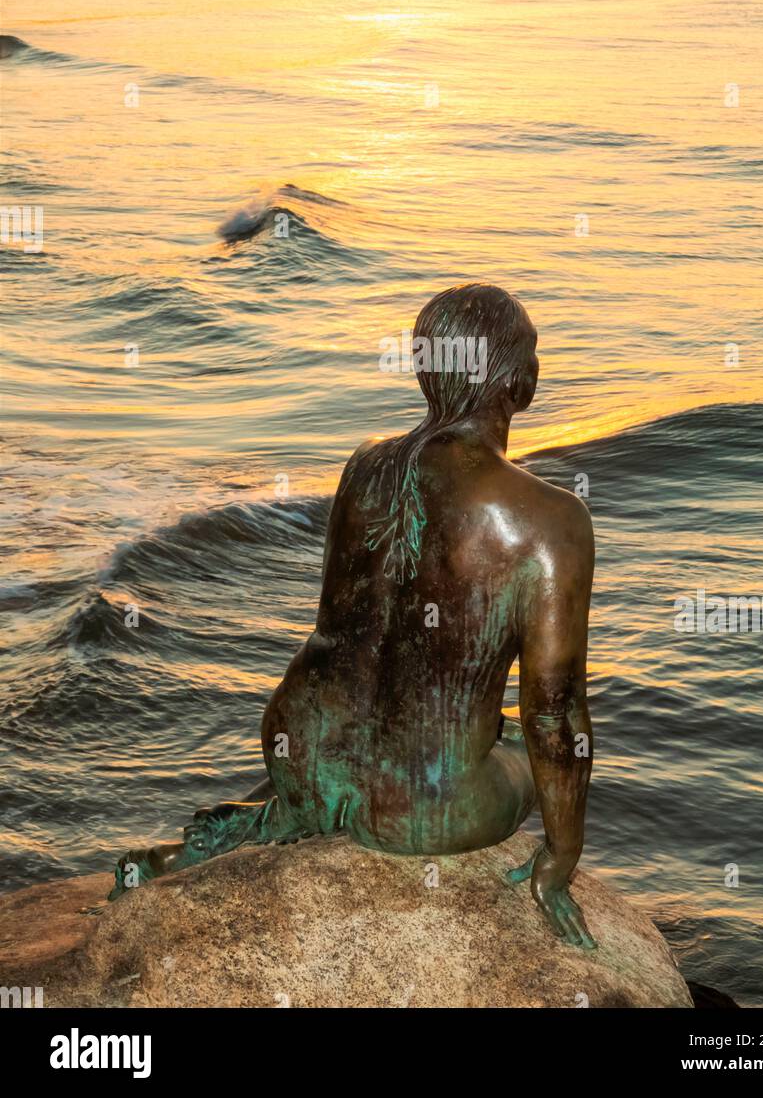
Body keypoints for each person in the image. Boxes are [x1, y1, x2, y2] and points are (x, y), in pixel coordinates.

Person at [112, 284, 596, 948]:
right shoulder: (551, 520)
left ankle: (284, 812)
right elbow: (557, 710)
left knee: (380, 719)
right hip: (428, 804)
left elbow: (348, 631)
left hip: (302, 748)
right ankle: (330, 804)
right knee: (515, 742)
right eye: (533, 351)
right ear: (514, 378)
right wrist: (560, 857)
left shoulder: (365, 463)